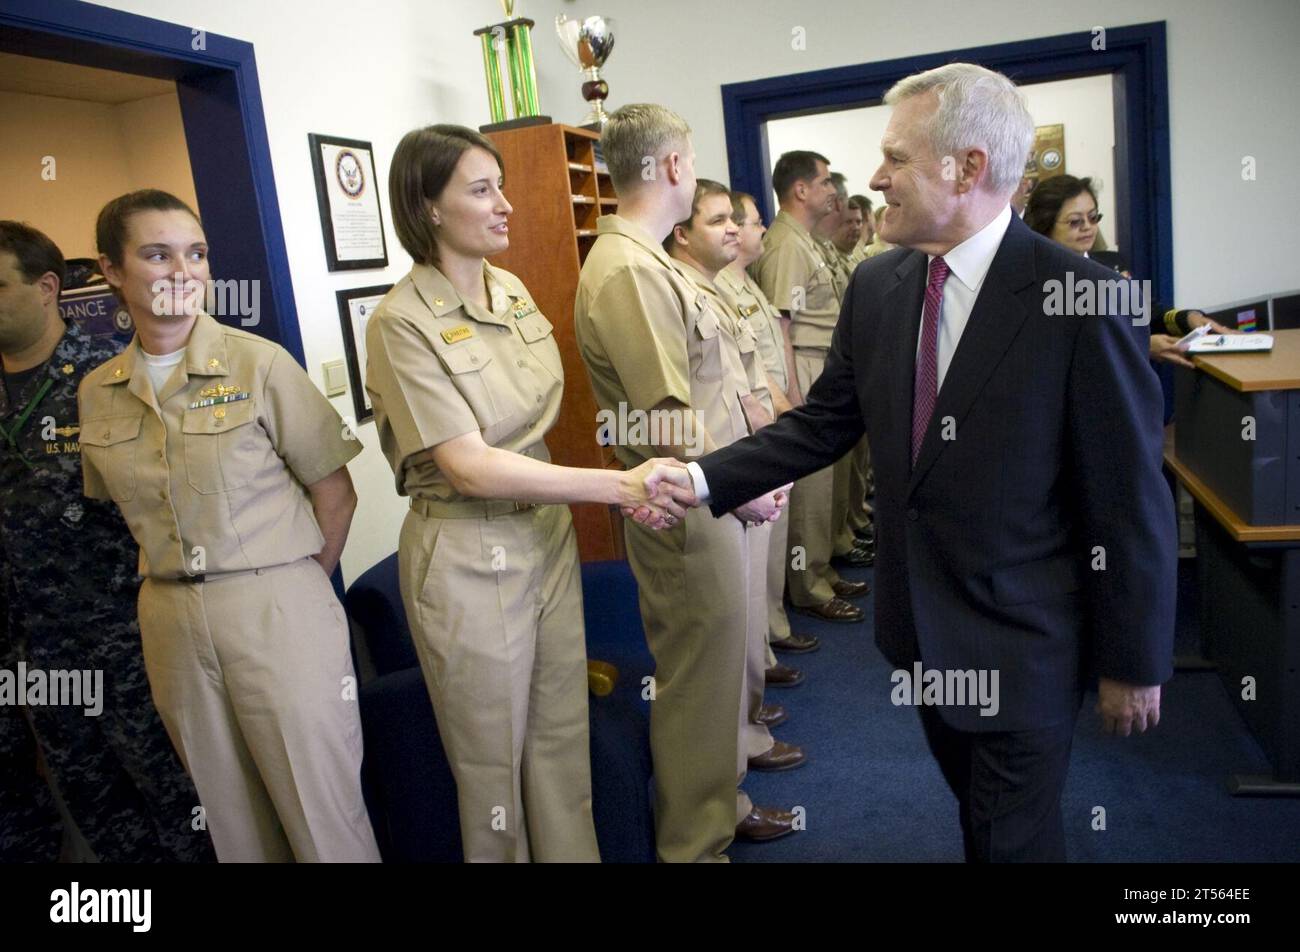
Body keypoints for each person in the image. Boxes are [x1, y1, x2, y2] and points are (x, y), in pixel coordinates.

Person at [684, 63, 1176, 862]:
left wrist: (1135, 659)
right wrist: (705, 478)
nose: (874, 178)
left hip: (1026, 648)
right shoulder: (880, 285)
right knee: (977, 819)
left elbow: (1129, 498)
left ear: (969, 167)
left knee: (1010, 839)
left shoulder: (1082, 299)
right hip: (919, 636)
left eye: (896, 159)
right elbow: (822, 424)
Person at [365, 125, 693, 863]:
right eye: (481, 191)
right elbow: (470, 467)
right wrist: (617, 485)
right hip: (467, 548)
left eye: (502, 184)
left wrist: (621, 479)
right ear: (428, 208)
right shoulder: (400, 323)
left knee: (560, 742)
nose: (506, 205)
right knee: (491, 774)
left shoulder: (509, 289)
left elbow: (535, 424)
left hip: (543, 534)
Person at [77, 189, 380, 862]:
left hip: (274, 602)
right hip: (169, 615)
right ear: (112, 271)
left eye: (197, 254)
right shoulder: (98, 388)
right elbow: (121, 511)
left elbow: (336, 493)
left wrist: (298, 585)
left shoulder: (258, 363)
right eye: (157, 255)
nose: (183, 271)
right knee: (232, 824)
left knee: (321, 814)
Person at [576, 104, 796, 861]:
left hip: (712, 494)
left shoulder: (655, 262)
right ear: (672, 166)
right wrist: (739, 485)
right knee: (699, 683)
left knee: (723, 668)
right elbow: (665, 418)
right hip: (686, 504)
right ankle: (693, 846)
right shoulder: (630, 268)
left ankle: (719, 805)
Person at [0, 221, 213, 863]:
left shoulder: (111, 379)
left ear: (45, 288)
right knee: (97, 812)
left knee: (182, 804)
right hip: (35, 654)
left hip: (129, 638)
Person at [663, 178, 808, 816]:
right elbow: (674, 409)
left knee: (747, 612)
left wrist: (775, 451)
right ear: (681, 232)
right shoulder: (673, 288)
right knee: (724, 631)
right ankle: (732, 761)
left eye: (733, 219)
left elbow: (751, 384)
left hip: (746, 464)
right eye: (717, 220)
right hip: (716, 476)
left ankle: (746, 729)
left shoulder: (723, 289)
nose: (732, 230)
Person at [751, 151, 866, 624]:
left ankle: (822, 566)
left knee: (832, 485)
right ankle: (809, 585)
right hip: (807, 368)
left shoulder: (808, 241)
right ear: (800, 189)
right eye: (823, 182)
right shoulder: (786, 244)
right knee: (813, 491)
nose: (832, 191)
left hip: (825, 365)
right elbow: (783, 324)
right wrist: (796, 397)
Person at [718, 191, 821, 671]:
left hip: (773, 419)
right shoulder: (719, 286)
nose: (758, 230)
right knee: (759, 546)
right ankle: (762, 645)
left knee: (772, 544)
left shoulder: (746, 283)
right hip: (756, 426)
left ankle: (772, 629)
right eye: (753, 222)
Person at [1023, 174, 1230, 368]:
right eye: (1075, 221)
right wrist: (1142, 346)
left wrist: (1189, 319)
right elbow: (1058, 350)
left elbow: (1145, 312)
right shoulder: (1033, 281)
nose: (1088, 227)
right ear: (1045, 226)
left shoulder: (1112, 263)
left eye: (1093, 217)